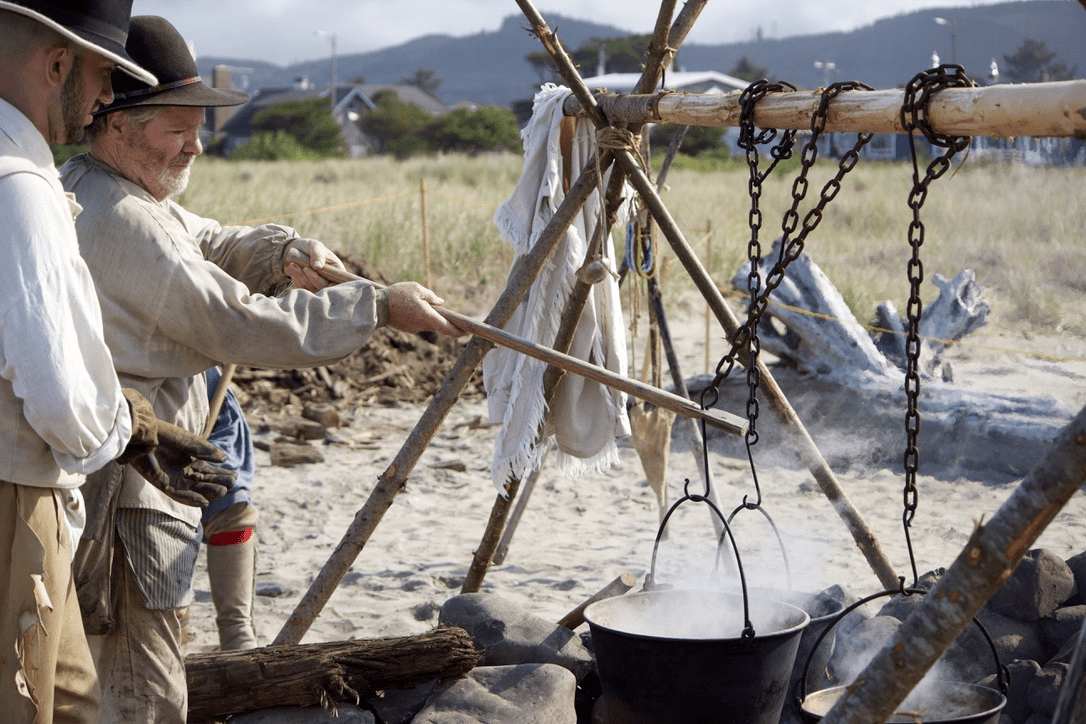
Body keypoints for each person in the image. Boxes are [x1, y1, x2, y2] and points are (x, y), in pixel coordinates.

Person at [60, 15, 463, 721]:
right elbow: (241, 322)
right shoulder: (121, 218)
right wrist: (375, 307)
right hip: (128, 499)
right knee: (143, 693)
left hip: (131, 484)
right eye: (176, 128)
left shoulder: (113, 191)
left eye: (198, 125)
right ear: (117, 123)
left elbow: (206, 239)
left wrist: (280, 253)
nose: (196, 145)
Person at [0, 2, 235, 721]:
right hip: (18, 488)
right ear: (59, 64)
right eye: (105, 77)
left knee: (69, 699)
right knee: (39, 704)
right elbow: (56, 389)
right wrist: (130, 434)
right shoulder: (22, 188)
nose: (106, 99)